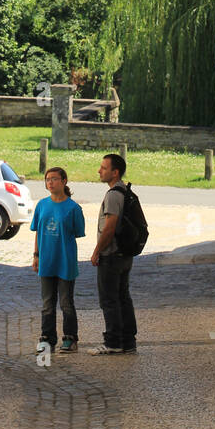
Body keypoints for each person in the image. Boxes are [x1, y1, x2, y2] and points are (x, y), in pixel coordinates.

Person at [30, 167, 86, 355]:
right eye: (47, 179)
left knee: (66, 302)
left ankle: (70, 338)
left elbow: (77, 232)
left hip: (65, 260)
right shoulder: (42, 205)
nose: (50, 182)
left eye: (54, 179)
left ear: (64, 181)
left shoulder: (73, 208)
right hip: (46, 260)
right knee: (47, 303)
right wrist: (36, 255)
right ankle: (47, 338)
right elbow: (38, 231)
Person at [87, 152, 137, 355]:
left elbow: (110, 227)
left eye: (104, 168)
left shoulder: (114, 194)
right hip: (124, 254)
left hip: (112, 254)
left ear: (115, 172)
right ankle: (128, 341)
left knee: (109, 299)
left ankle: (113, 342)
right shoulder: (124, 191)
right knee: (123, 297)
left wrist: (97, 251)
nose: (99, 171)